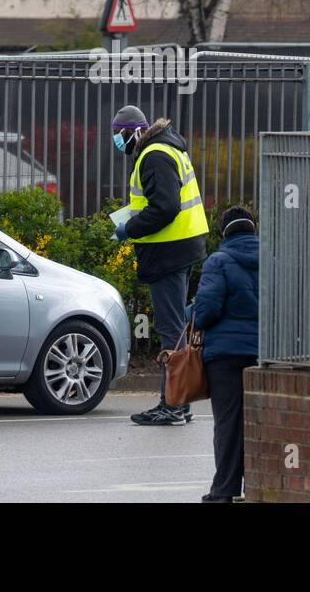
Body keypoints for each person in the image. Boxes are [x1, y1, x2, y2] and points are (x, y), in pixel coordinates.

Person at [109, 104, 209, 426]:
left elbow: (165, 207)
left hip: (168, 252)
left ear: (136, 130)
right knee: (177, 328)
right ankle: (180, 402)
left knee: (170, 331)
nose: (118, 141)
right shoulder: (167, 148)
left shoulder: (154, 155)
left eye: (120, 135)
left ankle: (173, 406)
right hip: (180, 247)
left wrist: (130, 228)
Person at [191, 205, 259, 502]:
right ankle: (255, 486)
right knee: (257, 423)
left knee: (228, 423)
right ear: (252, 229)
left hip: (226, 357)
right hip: (262, 355)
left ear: (224, 232)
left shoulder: (218, 261)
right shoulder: (271, 258)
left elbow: (206, 311)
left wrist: (188, 312)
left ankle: (224, 491)